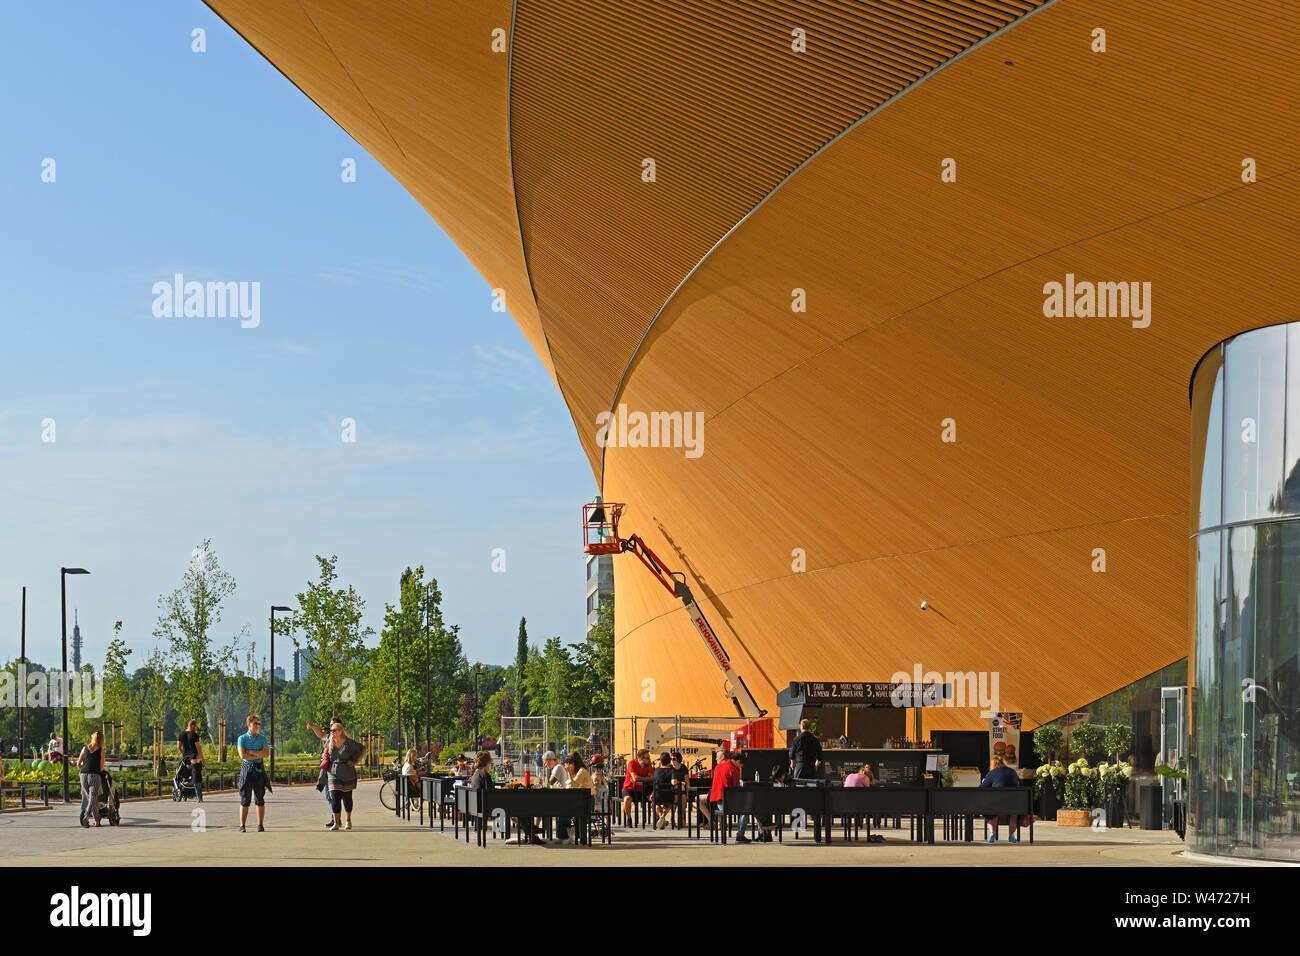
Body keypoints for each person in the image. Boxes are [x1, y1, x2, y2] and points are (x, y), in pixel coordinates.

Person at [325, 719, 366, 831]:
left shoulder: (349, 743)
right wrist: (325, 753)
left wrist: (355, 762)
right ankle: (336, 823)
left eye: (334, 730)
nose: (332, 732)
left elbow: (363, 749)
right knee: (334, 798)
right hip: (333, 772)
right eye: (331, 730)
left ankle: (348, 820)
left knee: (347, 798)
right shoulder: (330, 741)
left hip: (347, 773)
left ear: (340, 731)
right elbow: (324, 754)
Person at [237, 713, 271, 833]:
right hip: (247, 770)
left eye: (259, 723)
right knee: (245, 799)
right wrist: (258, 753)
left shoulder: (262, 738)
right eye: (255, 723)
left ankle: (260, 825)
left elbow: (266, 754)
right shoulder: (242, 738)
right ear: (249, 724)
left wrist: (251, 752)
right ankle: (242, 825)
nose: (258, 726)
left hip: (259, 769)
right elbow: (242, 755)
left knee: (260, 798)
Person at [980, 754, 1021, 842]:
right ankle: (1012, 835)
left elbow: (982, 787)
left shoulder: (992, 773)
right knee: (1014, 813)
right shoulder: (1013, 772)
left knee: (991, 811)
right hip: (1013, 805)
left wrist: (984, 781)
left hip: (996, 804)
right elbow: (1018, 786)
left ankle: (992, 833)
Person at [306, 718, 340, 827]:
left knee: (332, 795)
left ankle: (336, 819)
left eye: (332, 725)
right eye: (330, 726)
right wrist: (312, 726)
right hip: (326, 770)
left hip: (333, 770)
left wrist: (327, 754)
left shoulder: (340, 739)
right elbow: (321, 735)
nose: (330, 728)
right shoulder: (330, 736)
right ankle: (335, 817)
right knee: (329, 795)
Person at [556, 751, 592, 844]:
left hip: (587, 802)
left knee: (563, 811)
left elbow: (573, 786)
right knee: (561, 809)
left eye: (570, 762)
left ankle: (565, 837)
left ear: (575, 762)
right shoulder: (575, 773)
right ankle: (564, 836)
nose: (567, 764)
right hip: (580, 800)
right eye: (566, 762)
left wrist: (568, 772)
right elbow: (570, 788)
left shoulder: (582, 771)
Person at [701, 749, 741, 830]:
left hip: (718, 798)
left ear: (722, 757)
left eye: (717, 757)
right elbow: (736, 786)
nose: (715, 759)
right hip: (728, 798)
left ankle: (712, 822)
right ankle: (719, 822)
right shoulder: (733, 768)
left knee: (699, 799)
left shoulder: (717, 768)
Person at [76, 731, 105, 828]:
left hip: (83, 776)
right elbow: (101, 768)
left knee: (91, 799)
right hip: (94, 776)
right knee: (92, 798)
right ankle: (86, 817)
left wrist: (82, 770)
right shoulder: (101, 750)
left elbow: (78, 763)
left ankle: (97, 821)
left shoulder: (84, 748)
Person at [177, 719, 205, 803]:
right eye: (196, 726)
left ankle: (182, 791)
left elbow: (178, 747)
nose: (197, 728)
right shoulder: (195, 735)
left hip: (185, 759)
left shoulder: (181, 734)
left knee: (183, 774)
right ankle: (198, 797)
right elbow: (198, 748)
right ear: (192, 726)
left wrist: (184, 754)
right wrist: (203, 759)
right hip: (193, 759)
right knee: (197, 777)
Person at [621, 748, 653, 822]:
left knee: (654, 797)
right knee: (627, 799)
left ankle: (658, 819)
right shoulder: (632, 763)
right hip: (630, 788)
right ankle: (629, 819)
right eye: (647, 758)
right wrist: (646, 778)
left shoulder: (648, 765)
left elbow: (652, 778)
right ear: (641, 759)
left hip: (643, 789)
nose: (649, 759)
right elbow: (635, 778)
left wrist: (640, 779)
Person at [652, 752, 676, 829]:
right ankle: (663, 815)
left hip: (658, 794)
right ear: (669, 761)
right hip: (668, 795)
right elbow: (674, 782)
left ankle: (660, 815)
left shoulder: (656, 770)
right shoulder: (672, 770)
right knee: (669, 804)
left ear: (660, 761)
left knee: (656, 804)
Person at [670, 752, 689, 826]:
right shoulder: (670, 768)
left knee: (683, 799)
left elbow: (687, 781)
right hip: (673, 790)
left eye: (674, 759)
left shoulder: (683, 768)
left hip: (682, 790)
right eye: (670, 759)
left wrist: (688, 793)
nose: (672, 760)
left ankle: (682, 819)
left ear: (678, 759)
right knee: (675, 799)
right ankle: (673, 818)